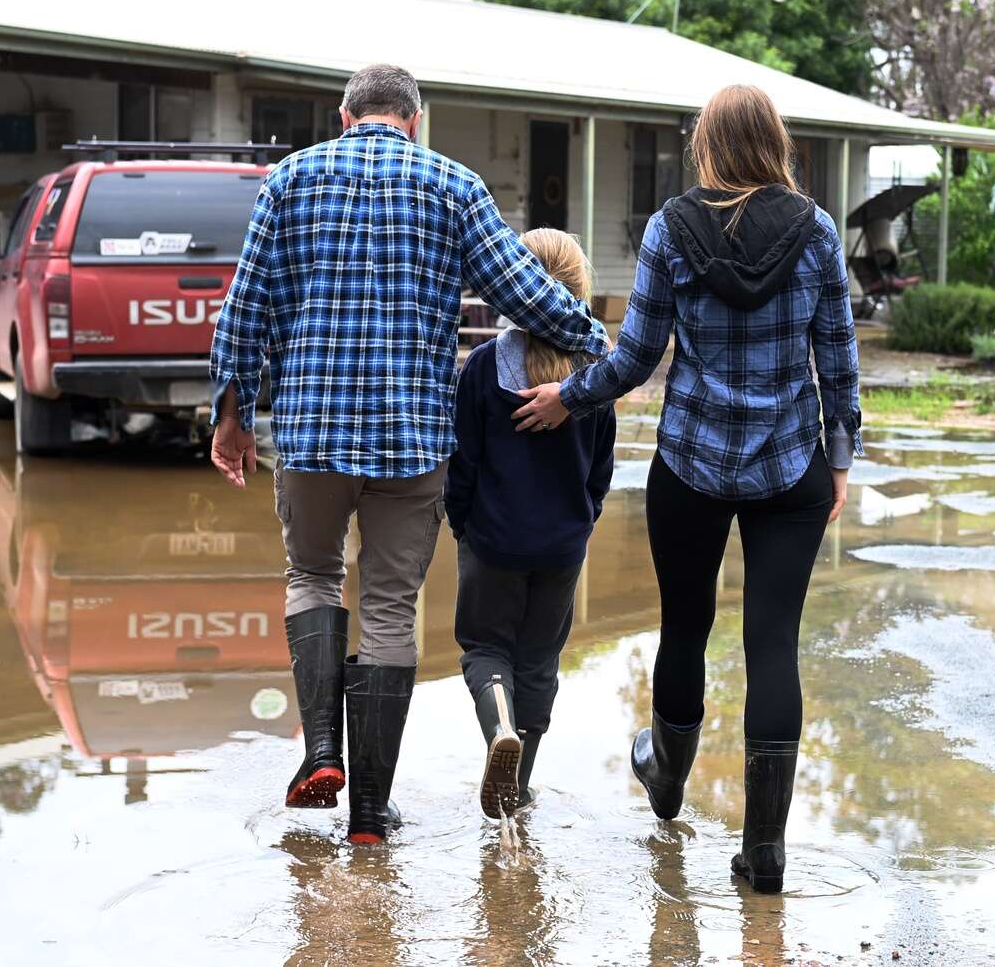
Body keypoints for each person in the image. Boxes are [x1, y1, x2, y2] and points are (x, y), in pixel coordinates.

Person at [209, 64, 608, 845]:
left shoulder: (288, 179)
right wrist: (599, 346)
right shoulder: (454, 187)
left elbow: (244, 305)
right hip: (410, 439)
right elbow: (522, 290)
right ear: (416, 120)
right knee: (390, 605)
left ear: (345, 115)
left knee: (314, 576)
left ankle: (322, 749)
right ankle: (368, 816)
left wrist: (229, 413)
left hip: (312, 433)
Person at [512, 84, 861, 893]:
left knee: (686, 629)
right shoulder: (817, 234)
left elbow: (636, 358)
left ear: (708, 144)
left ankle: (666, 779)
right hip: (789, 469)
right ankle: (764, 852)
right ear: (775, 142)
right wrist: (836, 458)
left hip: (691, 466)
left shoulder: (672, 227)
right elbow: (838, 361)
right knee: (774, 642)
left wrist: (567, 395)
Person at [445, 229, 616, 820]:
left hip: (492, 541)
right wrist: (582, 523)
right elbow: (601, 469)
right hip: (561, 549)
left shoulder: (485, 367)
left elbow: (461, 462)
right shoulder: (595, 375)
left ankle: (499, 733)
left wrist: (462, 524)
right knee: (540, 662)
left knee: (486, 648)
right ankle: (517, 788)